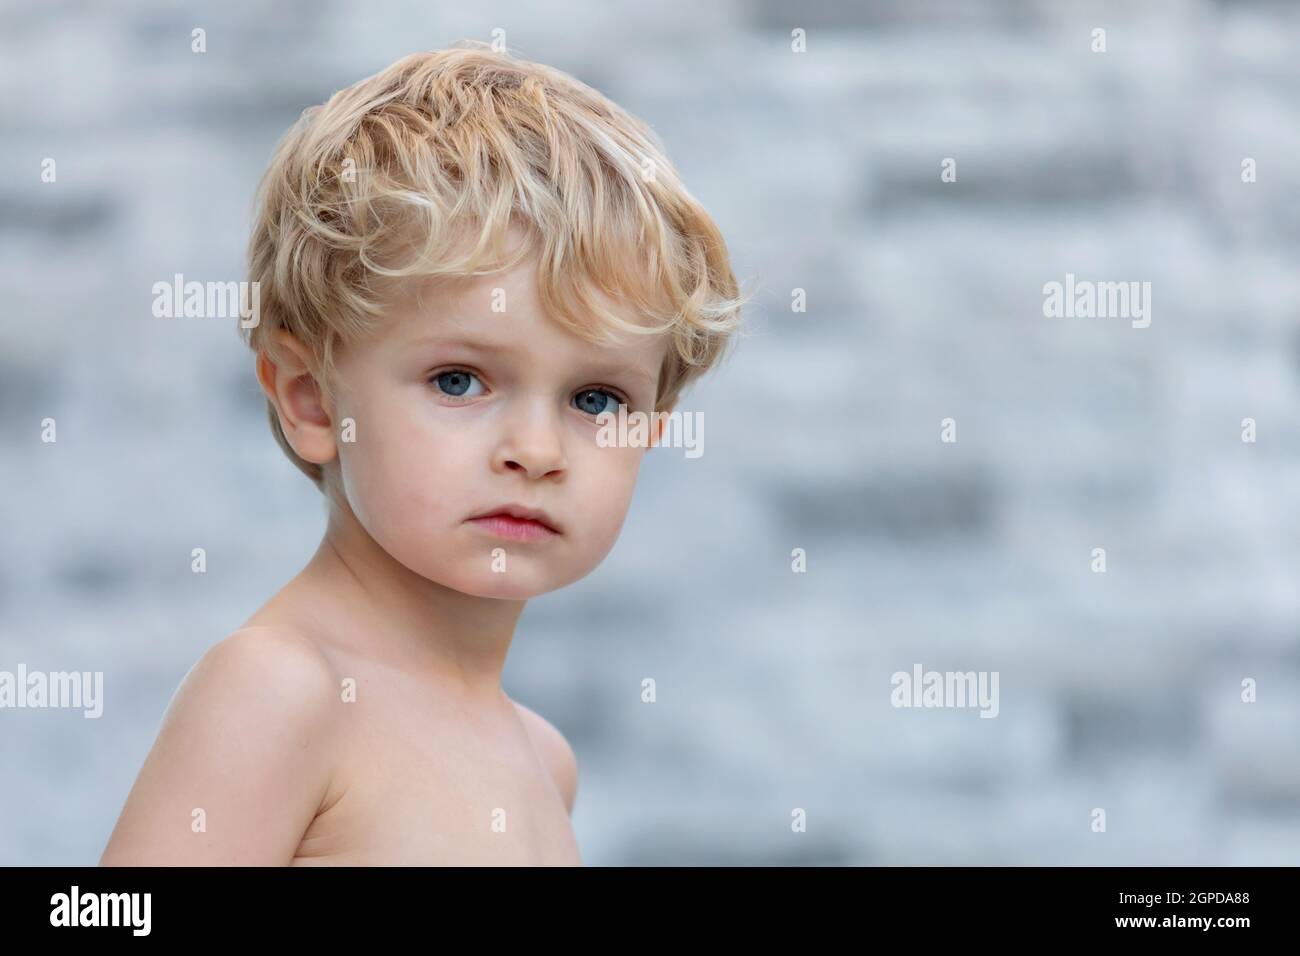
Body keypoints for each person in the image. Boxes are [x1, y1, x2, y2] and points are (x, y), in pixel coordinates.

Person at [100, 41, 746, 865]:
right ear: (311, 398)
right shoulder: (279, 693)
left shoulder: (546, 762)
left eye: (596, 400)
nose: (537, 451)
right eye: (459, 381)